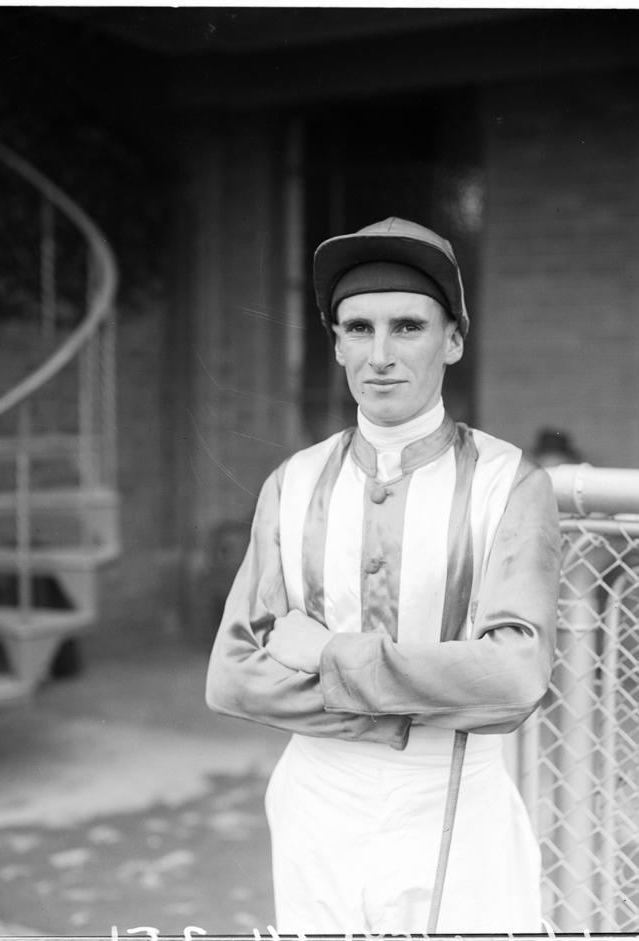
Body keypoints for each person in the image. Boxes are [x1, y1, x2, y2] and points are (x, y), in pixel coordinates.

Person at [205, 217, 561, 933]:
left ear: (453, 339)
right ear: (336, 343)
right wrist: (427, 686)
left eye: (407, 326)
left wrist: (331, 654)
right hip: (317, 793)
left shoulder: (507, 482)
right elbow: (234, 675)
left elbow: (515, 678)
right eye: (358, 328)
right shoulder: (293, 482)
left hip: (451, 800)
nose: (381, 355)